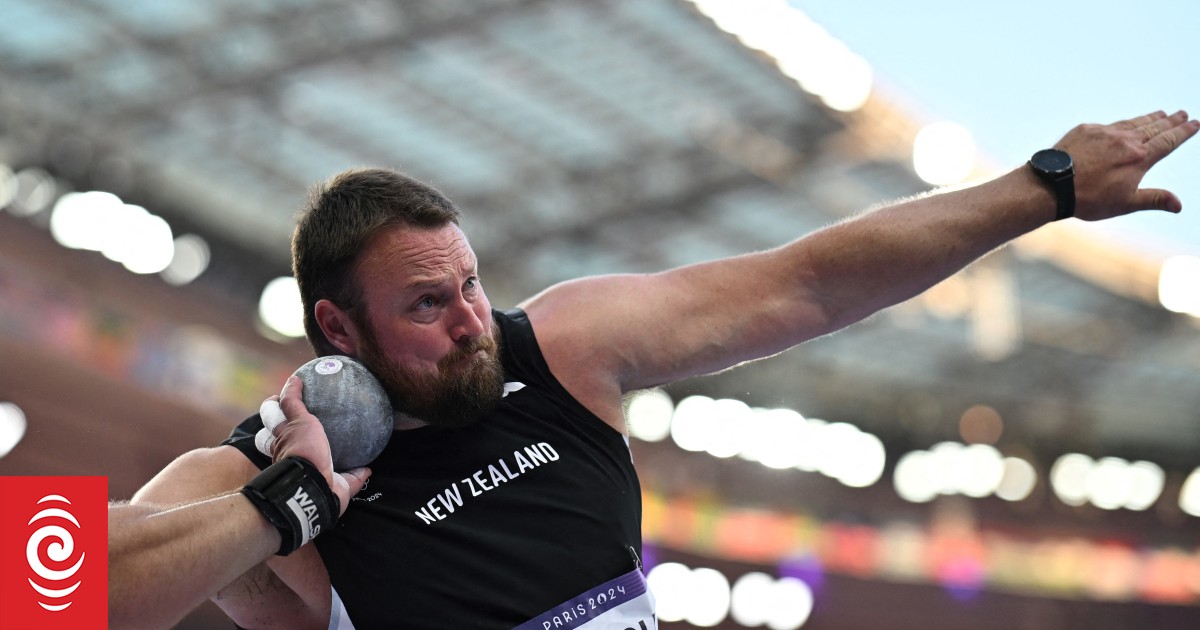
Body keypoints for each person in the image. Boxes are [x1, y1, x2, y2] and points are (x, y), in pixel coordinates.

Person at [108, 110, 1198, 629]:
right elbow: (44, 588)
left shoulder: (559, 349)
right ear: (338, 330)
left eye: (472, 284)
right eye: (429, 306)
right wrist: (286, 507)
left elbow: (809, 282)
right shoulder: (263, 476)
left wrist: (1044, 187)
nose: (474, 322)